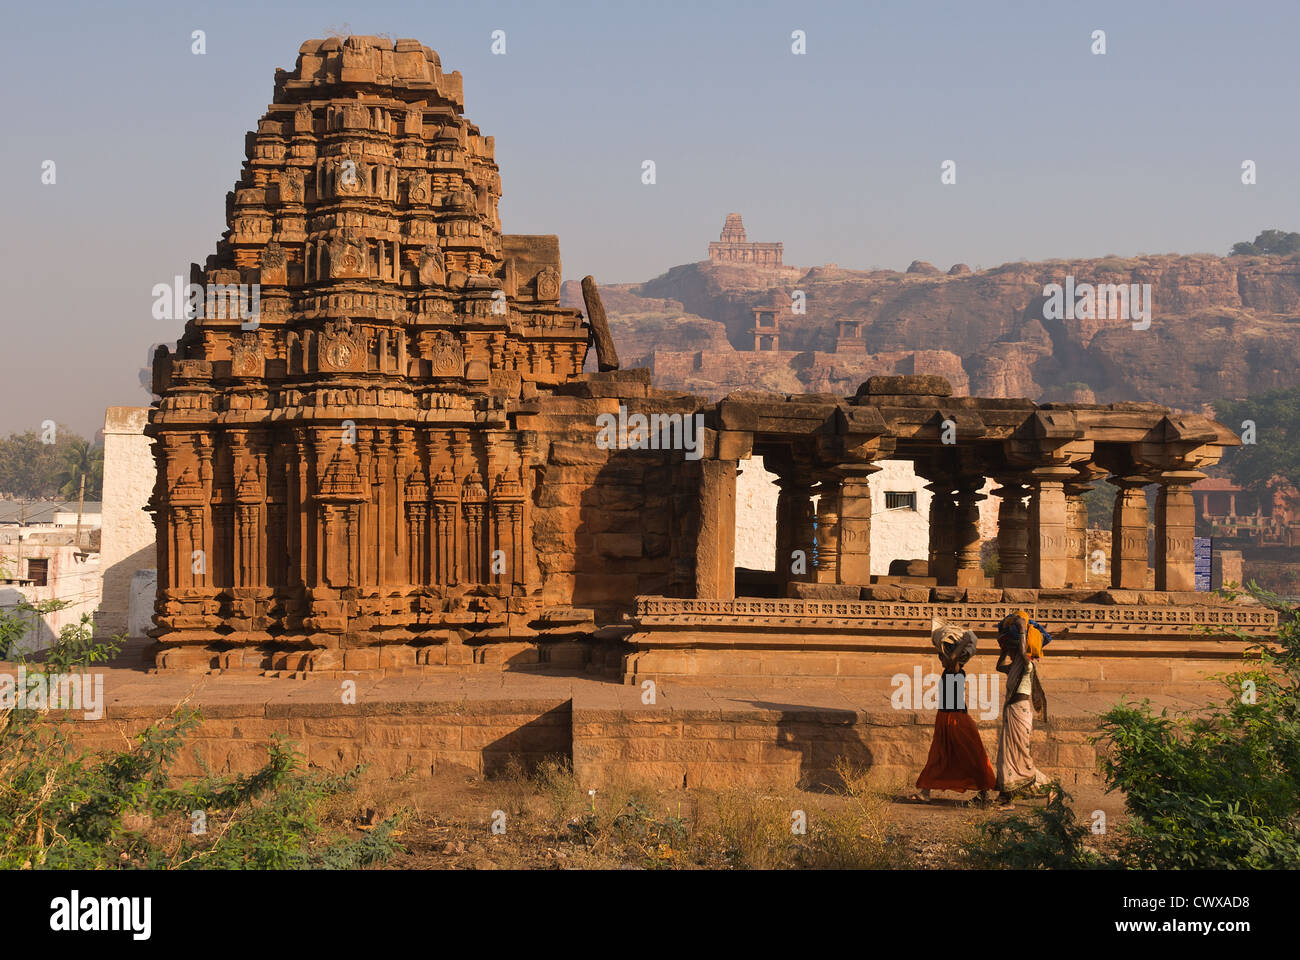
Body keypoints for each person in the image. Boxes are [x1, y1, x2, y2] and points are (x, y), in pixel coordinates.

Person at [911, 618, 996, 804]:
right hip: (946, 718)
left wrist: (964, 642)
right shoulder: (951, 670)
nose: (940, 659)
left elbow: (952, 659)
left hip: (957, 720)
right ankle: (926, 791)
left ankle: (984, 792)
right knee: (938, 756)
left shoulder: (954, 670)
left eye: (941, 656)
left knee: (972, 756)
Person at [993, 610, 1052, 809]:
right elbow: (998, 667)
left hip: (1020, 712)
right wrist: (1003, 652)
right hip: (1012, 712)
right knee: (1006, 755)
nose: (1011, 652)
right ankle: (1006, 797)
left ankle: (1049, 787)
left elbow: (1023, 653)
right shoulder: (1014, 666)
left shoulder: (1027, 665)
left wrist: (1021, 630)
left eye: (1012, 649)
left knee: (1021, 758)